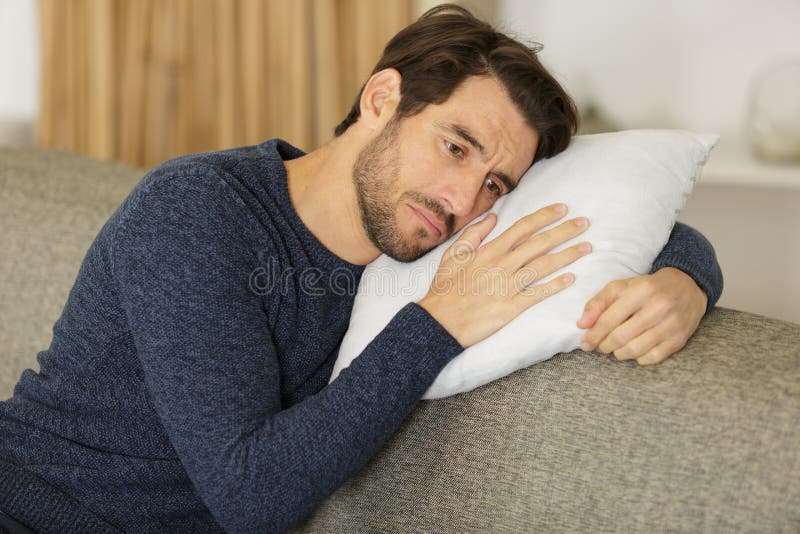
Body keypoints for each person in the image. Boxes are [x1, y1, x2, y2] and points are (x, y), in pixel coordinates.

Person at [0, 4, 722, 533]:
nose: (463, 200)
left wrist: (688, 280)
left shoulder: (424, 237)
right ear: (382, 101)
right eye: (456, 146)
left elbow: (616, 223)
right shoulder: (200, 211)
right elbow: (251, 494)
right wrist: (436, 324)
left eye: (494, 184)